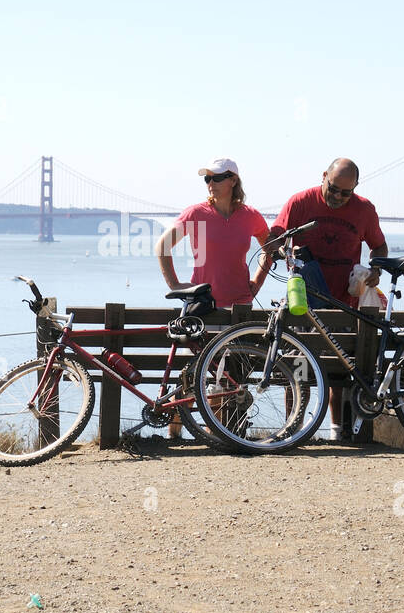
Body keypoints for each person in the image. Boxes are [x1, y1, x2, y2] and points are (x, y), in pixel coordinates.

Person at [271, 157, 389, 441]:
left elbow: (379, 246)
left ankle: (339, 432)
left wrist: (376, 269)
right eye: (333, 188)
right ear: (323, 176)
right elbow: (274, 240)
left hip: (345, 305)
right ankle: (294, 429)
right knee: (298, 368)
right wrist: (285, 255)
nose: (337, 197)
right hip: (304, 303)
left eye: (345, 193)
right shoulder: (300, 202)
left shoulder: (364, 210)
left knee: (340, 372)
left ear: (356, 188)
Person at [155, 158, 272, 307]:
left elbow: (270, 248)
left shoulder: (250, 215)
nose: (211, 183)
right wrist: (174, 285)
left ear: (234, 181)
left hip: (241, 304)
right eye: (207, 178)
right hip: (203, 303)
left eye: (217, 178)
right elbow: (162, 245)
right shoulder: (195, 214)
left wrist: (258, 282)